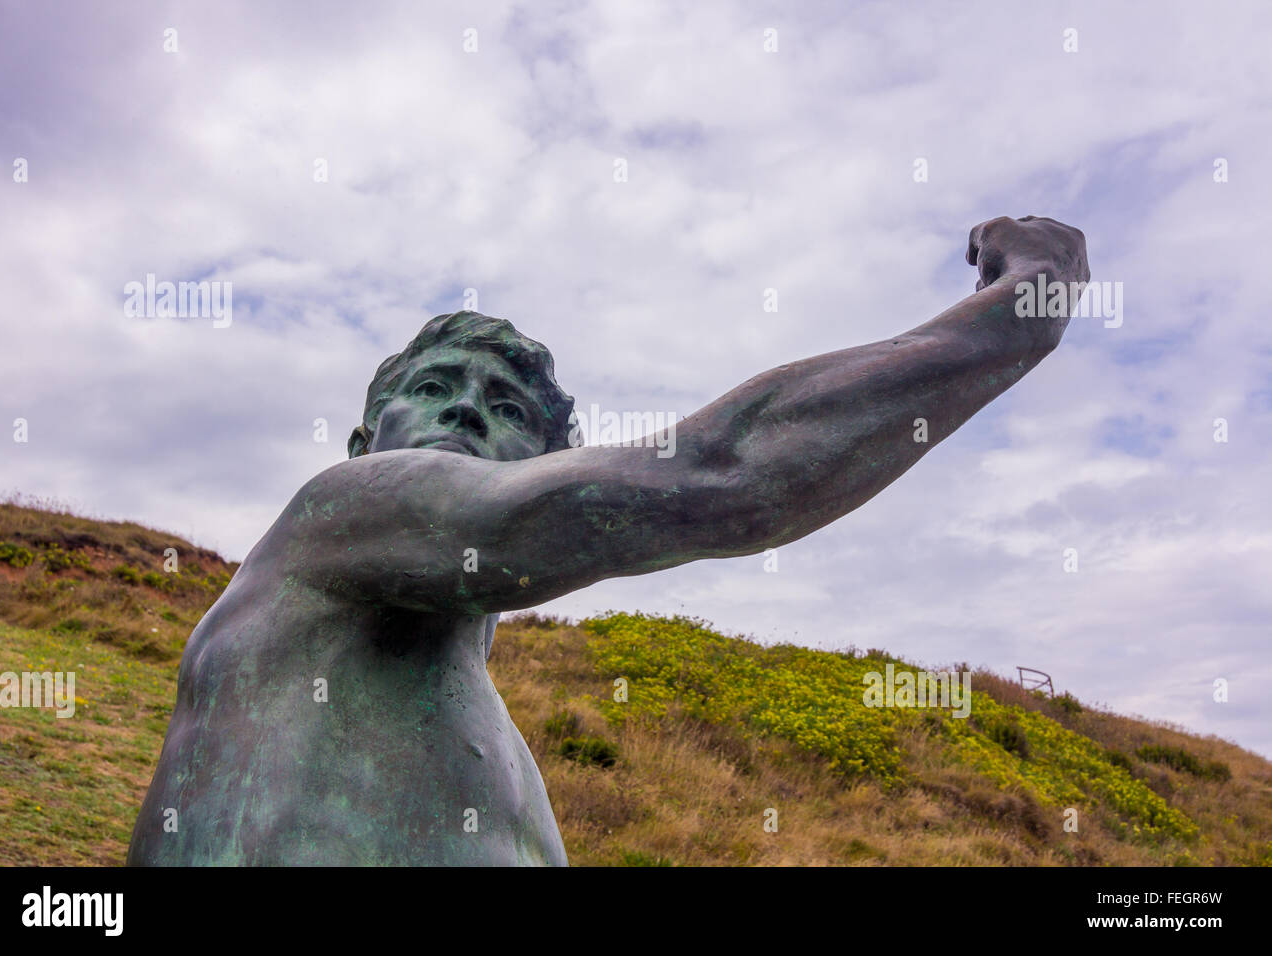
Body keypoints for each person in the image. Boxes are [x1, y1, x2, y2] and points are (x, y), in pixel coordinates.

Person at [128, 215, 1089, 865]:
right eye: (432, 388)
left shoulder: (508, 776)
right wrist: (1023, 310)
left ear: (541, 465)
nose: (464, 408)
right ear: (358, 446)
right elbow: (729, 474)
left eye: (504, 408)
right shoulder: (336, 512)